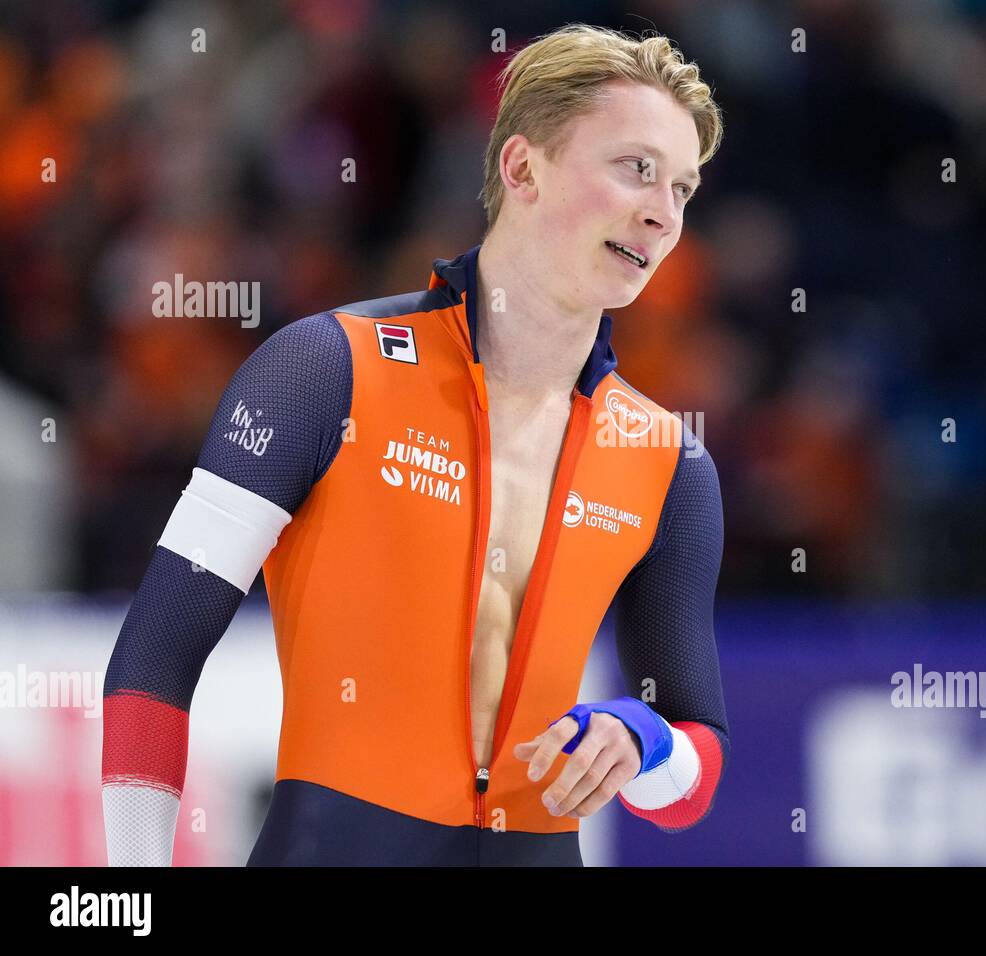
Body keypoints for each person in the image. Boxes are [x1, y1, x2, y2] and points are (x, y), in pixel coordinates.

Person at [101, 23, 729, 866]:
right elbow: (155, 656)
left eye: (684, 189)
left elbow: (696, 770)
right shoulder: (326, 374)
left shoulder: (668, 459)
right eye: (636, 168)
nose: (662, 212)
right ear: (522, 169)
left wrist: (644, 741)